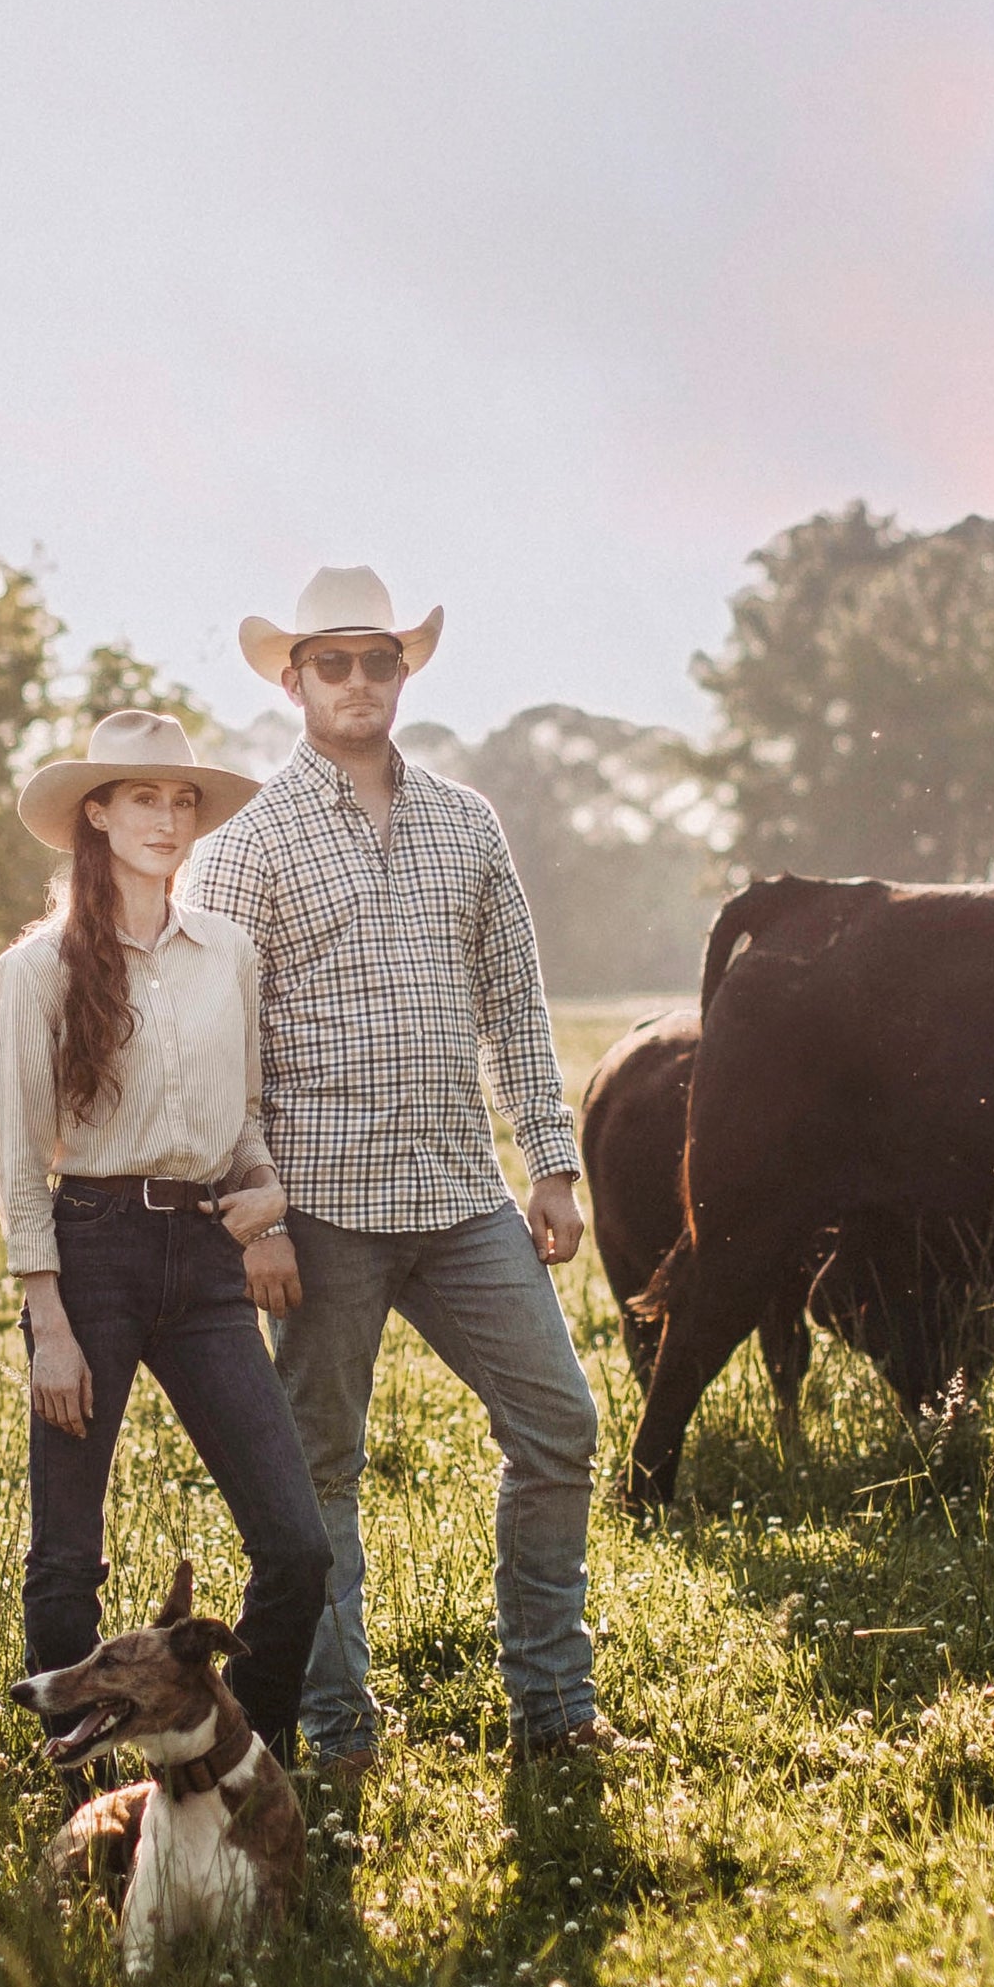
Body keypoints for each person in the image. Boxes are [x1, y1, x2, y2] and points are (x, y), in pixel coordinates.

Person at [181, 565, 630, 1776]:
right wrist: (252, 1212)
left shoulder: (467, 822)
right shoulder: (248, 844)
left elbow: (512, 1003)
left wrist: (549, 1163)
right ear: (294, 679)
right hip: (319, 1210)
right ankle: (339, 1731)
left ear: (401, 672)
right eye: (334, 662)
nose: (359, 682)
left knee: (558, 1424)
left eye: (379, 660)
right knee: (318, 1472)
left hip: (461, 1194)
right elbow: (226, 1045)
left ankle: (552, 1707)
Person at [0, 709, 331, 1751]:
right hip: (91, 1254)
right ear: (95, 814)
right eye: (143, 796)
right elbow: (17, 1157)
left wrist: (264, 1195)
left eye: (183, 799)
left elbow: (245, 1115)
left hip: (207, 1263)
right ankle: (79, 1780)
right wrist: (47, 1319)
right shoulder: (38, 970)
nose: (169, 817)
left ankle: (245, 1761)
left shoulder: (226, 950)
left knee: (297, 1548)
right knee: (65, 1556)